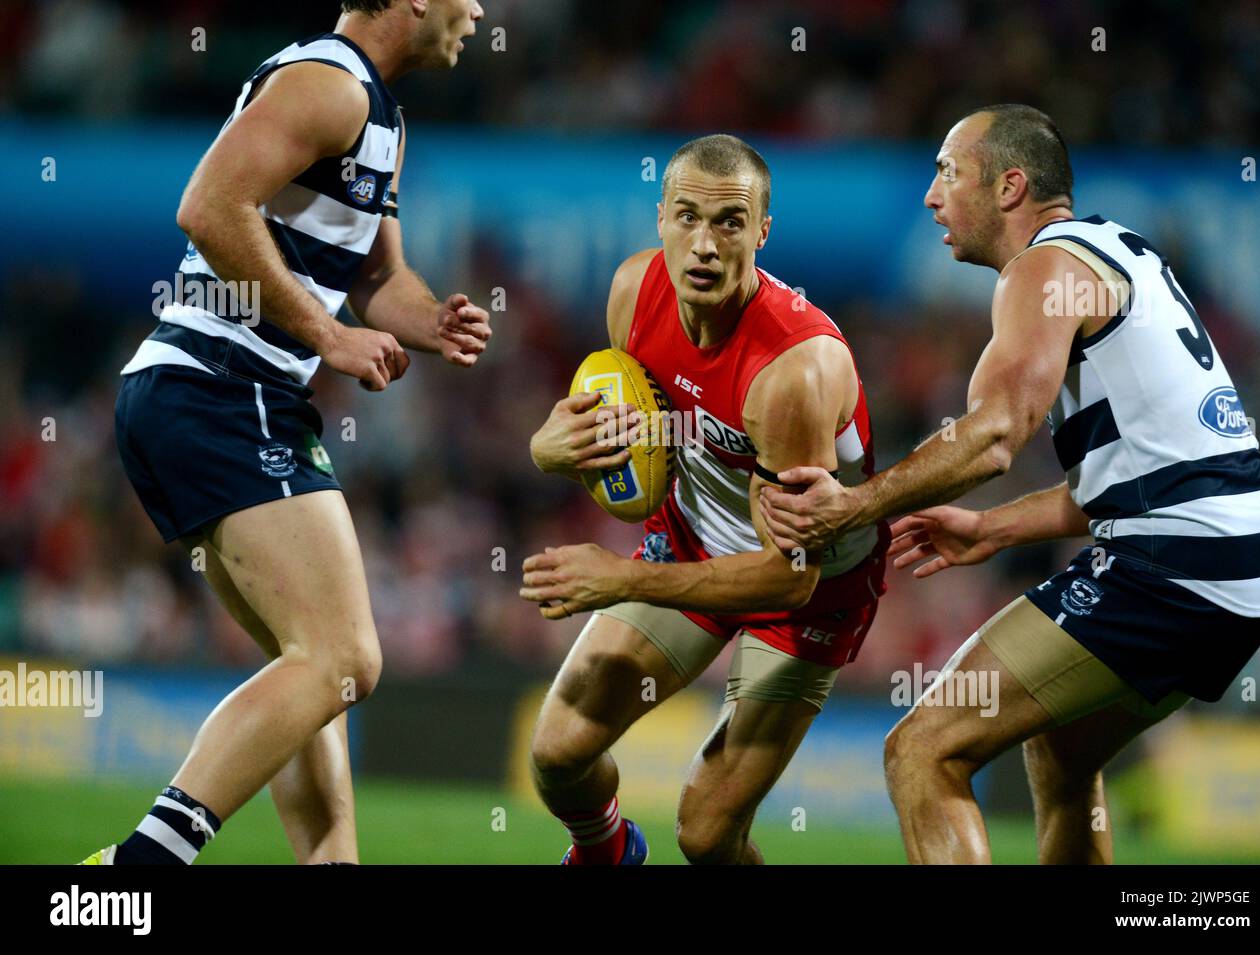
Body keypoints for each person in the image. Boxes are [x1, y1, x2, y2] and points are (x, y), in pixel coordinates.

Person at [759, 104, 1260, 863]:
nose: (930, 195)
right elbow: (1152, 474)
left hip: (1178, 565)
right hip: (1246, 561)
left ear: (1010, 185)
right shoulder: (1118, 252)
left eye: (947, 172)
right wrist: (990, 527)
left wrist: (852, 507)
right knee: (1063, 749)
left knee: (923, 747)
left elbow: (996, 434)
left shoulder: (1042, 269)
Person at [84, 0, 491, 865]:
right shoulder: (330, 85)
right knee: (347, 655)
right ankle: (139, 867)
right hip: (221, 384)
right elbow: (208, 206)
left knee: (313, 669)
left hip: (217, 393)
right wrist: (329, 334)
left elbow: (377, 276)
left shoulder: (381, 114)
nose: (480, 11)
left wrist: (432, 320)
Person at [520, 134, 890, 864]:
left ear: (762, 232)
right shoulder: (632, 292)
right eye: (687, 216)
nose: (705, 244)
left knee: (707, 835)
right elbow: (623, 438)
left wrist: (624, 577)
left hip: (809, 593)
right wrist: (548, 450)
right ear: (660, 217)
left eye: (729, 223)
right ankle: (606, 852)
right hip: (693, 538)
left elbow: (791, 575)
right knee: (558, 753)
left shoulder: (791, 372)